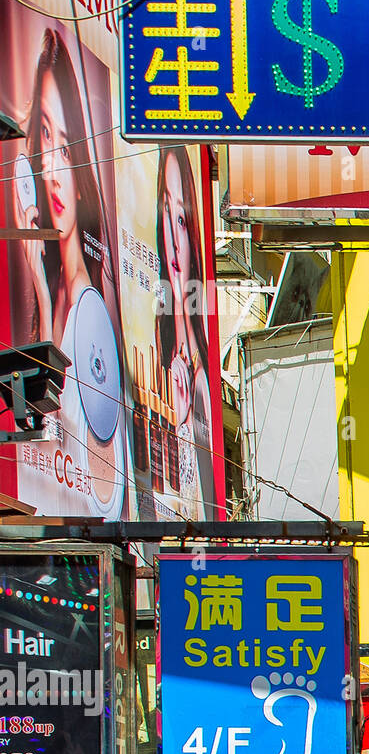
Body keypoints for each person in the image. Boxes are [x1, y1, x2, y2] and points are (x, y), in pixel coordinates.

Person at [11, 28, 122, 517]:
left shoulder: (93, 316)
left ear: (81, 174)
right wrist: (35, 270)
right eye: (44, 141)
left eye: (65, 149)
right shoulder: (50, 293)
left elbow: (102, 482)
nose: (51, 169)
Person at [155, 145, 214, 520]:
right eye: (166, 209)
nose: (175, 241)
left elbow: (207, 510)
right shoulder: (154, 356)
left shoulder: (202, 383)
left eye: (182, 219)